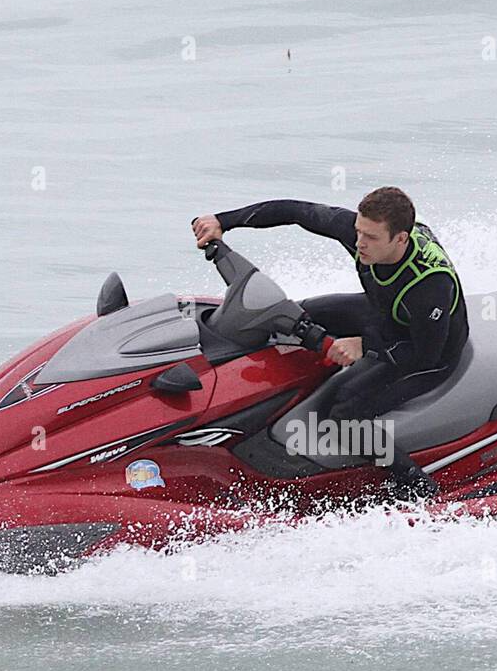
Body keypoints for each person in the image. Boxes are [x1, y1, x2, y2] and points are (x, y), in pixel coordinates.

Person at [191, 187, 467, 498]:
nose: (360, 242)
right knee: (295, 316)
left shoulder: (429, 285)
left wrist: (364, 346)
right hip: (386, 314)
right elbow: (297, 210)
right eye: (359, 231)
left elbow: (426, 354)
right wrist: (223, 221)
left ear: (400, 239)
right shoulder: (363, 234)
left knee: (344, 413)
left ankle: (417, 486)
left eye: (371, 238)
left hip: (428, 350)